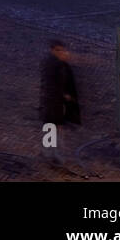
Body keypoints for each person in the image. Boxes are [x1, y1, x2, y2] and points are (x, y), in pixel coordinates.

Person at [39, 40, 81, 170]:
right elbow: (51, 85)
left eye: (62, 50)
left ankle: (51, 152)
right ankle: (52, 153)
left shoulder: (60, 64)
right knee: (53, 127)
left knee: (53, 127)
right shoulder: (52, 65)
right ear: (53, 50)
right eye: (59, 50)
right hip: (53, 102)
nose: (63, 53)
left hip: (55, 102)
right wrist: (64, 95)